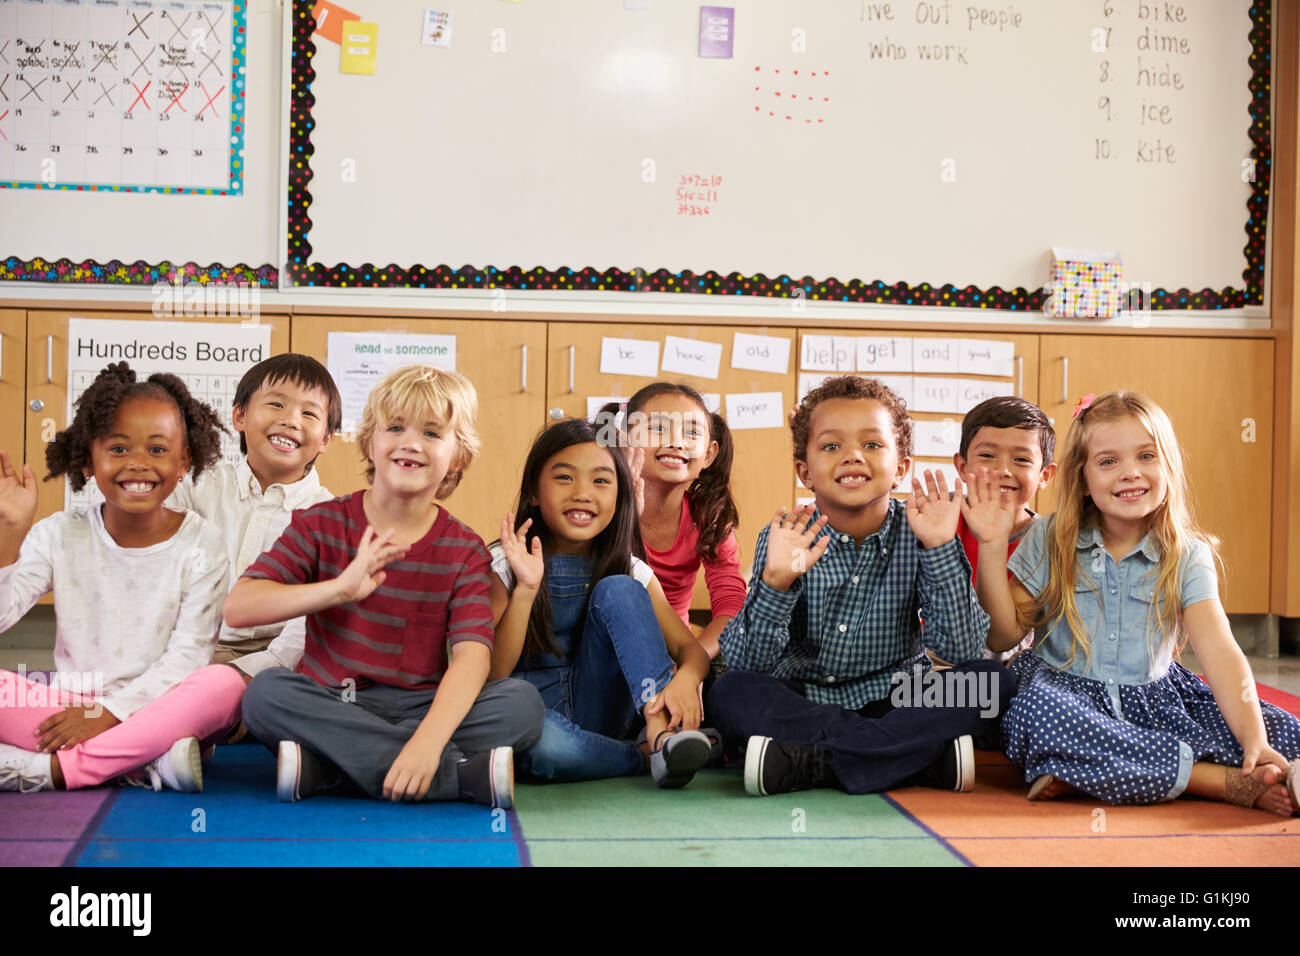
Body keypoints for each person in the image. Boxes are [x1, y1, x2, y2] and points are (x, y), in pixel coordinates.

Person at [970, 390, 1300, 814]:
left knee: (1280, 728)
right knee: (1035, 714)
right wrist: (993, 547)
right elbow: (1001, 637)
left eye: (1146, 456)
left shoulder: (1187, 554)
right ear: (1083, 479)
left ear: (1168, 466)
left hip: (1154, 703)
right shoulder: (1050, 538)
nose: (1130, 473)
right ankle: (1214, 780)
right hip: (1065, 699)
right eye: (1108, 461)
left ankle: (1093, 771)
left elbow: (1220, 652)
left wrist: (1255, 741)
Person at [227, 365, 544, 806]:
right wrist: (338, 589)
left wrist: (427, 742)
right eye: (395, 427)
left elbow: (473, 657)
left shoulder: (464, 549)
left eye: (433, 433)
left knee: (523, 706)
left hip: (422, 710)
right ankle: (461, 778)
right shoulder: (321, 523)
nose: (411, 443)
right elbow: (238, 609)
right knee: (265, 695)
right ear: (370, 443)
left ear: (458, 458)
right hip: (332, 701)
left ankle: (329, 768)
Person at [707, 375, 1011, 797]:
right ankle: (915, 758)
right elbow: (748, 665)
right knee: (729, 691)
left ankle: (812, 762)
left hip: (898, 697)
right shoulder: (787, 536)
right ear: (805, 471)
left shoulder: (924, 530)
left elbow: (959, 652)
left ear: (901, 468)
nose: (852, 456)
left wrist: (939, 546)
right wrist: (777, 581)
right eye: (831, 446)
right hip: (804, 698)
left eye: (872, 445)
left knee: (991, 680)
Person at [0, 362, 237, 794]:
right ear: (89, 460)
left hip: (162, 711)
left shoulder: (204, 543)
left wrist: (106, 715)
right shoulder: (59, 533)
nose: (138, 465)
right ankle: (144, 762)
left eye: (158, 450)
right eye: (119, 449)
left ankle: (55, 770)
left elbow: (187, 658)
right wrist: (10, 534)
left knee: (224, 685)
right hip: (66, 710)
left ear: (184, 461)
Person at [488, 417, 713, 787]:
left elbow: (691, 652)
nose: (582, 493)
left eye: (601, 481)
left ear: (620, 495)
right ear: (533, 490)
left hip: (602, 708)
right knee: (540, 748)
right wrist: (526, 589)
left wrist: (686, 680)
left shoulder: (631, 569)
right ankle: (641, 758)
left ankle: (659, 736)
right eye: (564, 477)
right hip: (533, 719)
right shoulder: (503, 563)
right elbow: (494, 673)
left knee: (619, 588)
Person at [615, 384, 745, 662]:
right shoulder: (603, 506)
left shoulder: (709, 519)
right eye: (658, 428)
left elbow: (730, 606)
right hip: (608, 644)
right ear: (624, 440)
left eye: (691, 432)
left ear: (709, 455)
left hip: (675, 650)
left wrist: (693, 661)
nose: (676, 442)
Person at [950, 395, 1057, 661]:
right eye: (987, 456)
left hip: (1007, 673)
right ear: (962, 467)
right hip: (934, 663)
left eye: (1021, 460)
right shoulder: (941, 520)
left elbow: (1005, 637)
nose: (1003, 470)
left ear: (1044, 475)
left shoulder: (1045, 539)